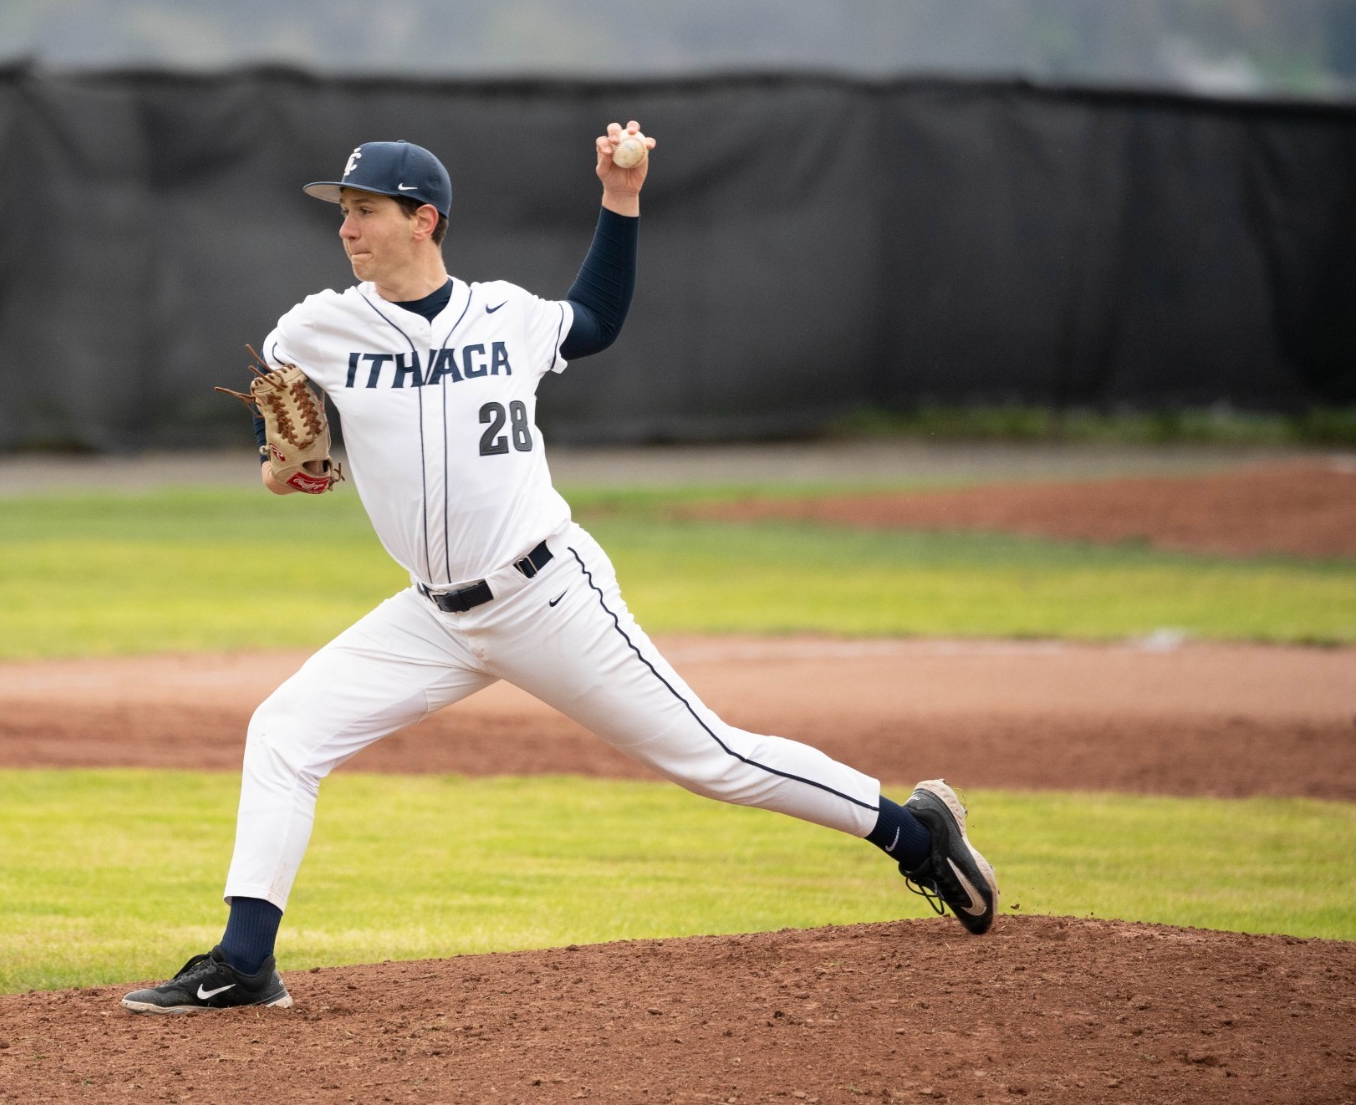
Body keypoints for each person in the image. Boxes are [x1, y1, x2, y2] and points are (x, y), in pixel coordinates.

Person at [121, 124, 998, 1015]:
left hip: (546, 593)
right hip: (433, 616)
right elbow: (291, 443)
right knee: (284, 731)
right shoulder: (316, 327)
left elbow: (599, 320)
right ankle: (245, 961)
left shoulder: (506, 313)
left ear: (424, 220)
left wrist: (621, 197)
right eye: (342, 213)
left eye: (364, 212)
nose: (346, 230)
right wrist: (282, 469)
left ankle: (914, 834)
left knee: (713, 758)